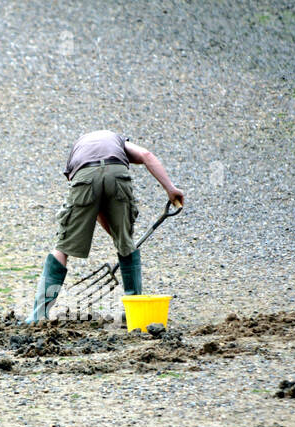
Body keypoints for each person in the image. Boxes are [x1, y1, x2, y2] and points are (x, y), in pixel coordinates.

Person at [28, 129, 185, 322]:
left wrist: (112, 231)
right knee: (127, 245)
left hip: (83, 174)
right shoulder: (120, 142)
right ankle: (134, 313)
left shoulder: (78, 149)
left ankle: (37, 316)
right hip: (118, 175)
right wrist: (170, 189)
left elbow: (91, 206)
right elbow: (146, 155)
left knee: (62, 247)